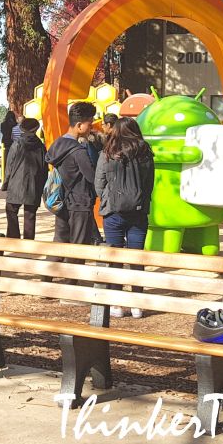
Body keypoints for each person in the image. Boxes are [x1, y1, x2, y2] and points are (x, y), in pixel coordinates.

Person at [94, 117, 155, 318]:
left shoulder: (108, 153)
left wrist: (107, 199)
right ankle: (137, 304)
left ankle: (117, 304)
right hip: (138, 212)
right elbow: (149, 184)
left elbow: (99, 183)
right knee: (136, 257)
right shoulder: (145, 153)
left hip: (113, 212)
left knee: (115, 257)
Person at [45, 102, 100, 246]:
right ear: (80, 125)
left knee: (60, 246)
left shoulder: (57, 145)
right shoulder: (78, 151)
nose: (91, 128)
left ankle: (55, 268)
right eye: (90, 124)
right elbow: (92, 177)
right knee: (78, 249)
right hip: (80, 204)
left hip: (61, 202)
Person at [1, 117, 47, 240]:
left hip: (15, 184)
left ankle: (13, 238)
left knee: (11, 212)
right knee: (30, 215)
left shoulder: (17, 144)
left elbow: (9, 166)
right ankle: (28, 243)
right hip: (33, 185)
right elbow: (44, 168)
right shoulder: (41, 146)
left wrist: (5, 183)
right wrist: (41, 187)